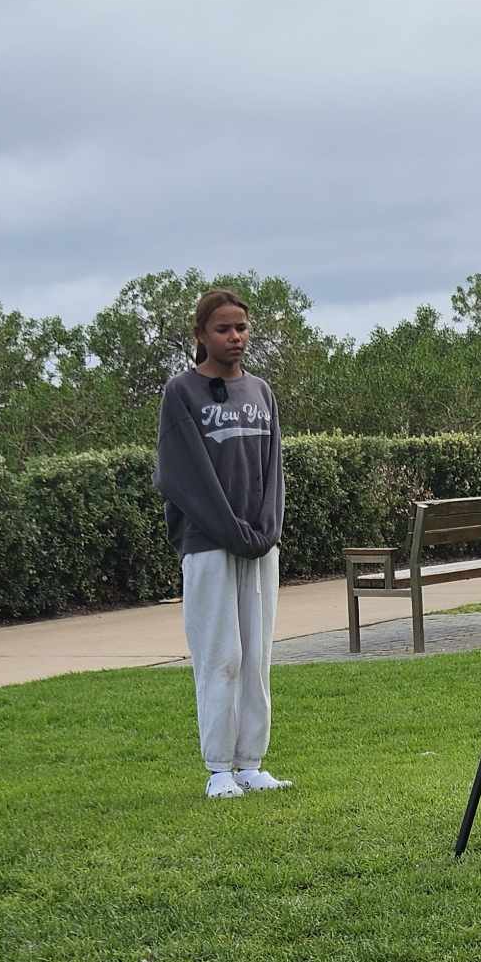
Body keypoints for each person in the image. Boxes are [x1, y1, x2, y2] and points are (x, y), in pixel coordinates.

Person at [154, 287, 291, 800]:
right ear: (200, 335)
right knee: (221, 654)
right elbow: (183, 475)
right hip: (208, 544)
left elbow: (273, 469)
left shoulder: (260, 391)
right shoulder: (181, 393)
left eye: (242, 328)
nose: (235, 337)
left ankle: (251, 762)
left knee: (256, 654)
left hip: (260, 544)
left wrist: (267, 528)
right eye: (223, 329)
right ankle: (219, 769)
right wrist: (231, 530)